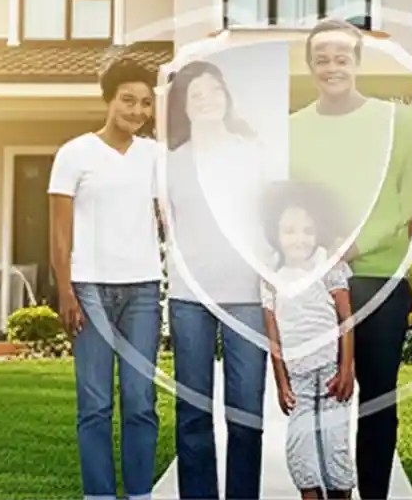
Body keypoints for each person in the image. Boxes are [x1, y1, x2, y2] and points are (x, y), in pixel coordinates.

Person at [287, 18, 412, 499]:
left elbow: (411, 201)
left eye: (342, 57)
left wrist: (359, 245)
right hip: (316, 286)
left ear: (358, 63)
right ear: (310, 67)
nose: (332, 66)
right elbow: (287, 202)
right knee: (321, 398)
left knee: (377, 399)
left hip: (380, 276)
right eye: (321, 58)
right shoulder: (290, 129)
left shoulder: (400, 121)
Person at [48, 56, 162, 500]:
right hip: (89, 289)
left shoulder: (155, 155)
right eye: (128, 100)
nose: (136, 111)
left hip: (144, 291)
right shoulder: (75, 153)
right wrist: (65, 289)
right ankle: (98, 494)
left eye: (146, 104)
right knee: (95, 404)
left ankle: (139, 494)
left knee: (140, 402)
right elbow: (59, 232)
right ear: (109, 100)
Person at [162, 60, 270, 500]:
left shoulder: (253, 153)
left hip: (246, 293)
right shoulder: (169, 161)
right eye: (195, 94)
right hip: (189, 297)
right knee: (193, 413)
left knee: (246, 415)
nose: (206, 99)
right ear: (183, 107)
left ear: (226, 97)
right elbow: (165, 224)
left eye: (213, 90)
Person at [260, 181, 356, 500]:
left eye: (307, 231)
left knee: (335, 447)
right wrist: (281, 382)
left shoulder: (327, 266)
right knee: (301, 451)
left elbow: (346, 320)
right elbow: (273, 335)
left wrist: (346, 369)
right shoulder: (271, 278)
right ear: (276, 234)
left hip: (330, 372)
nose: (299, 239)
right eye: (289, 231)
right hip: (298, 378)